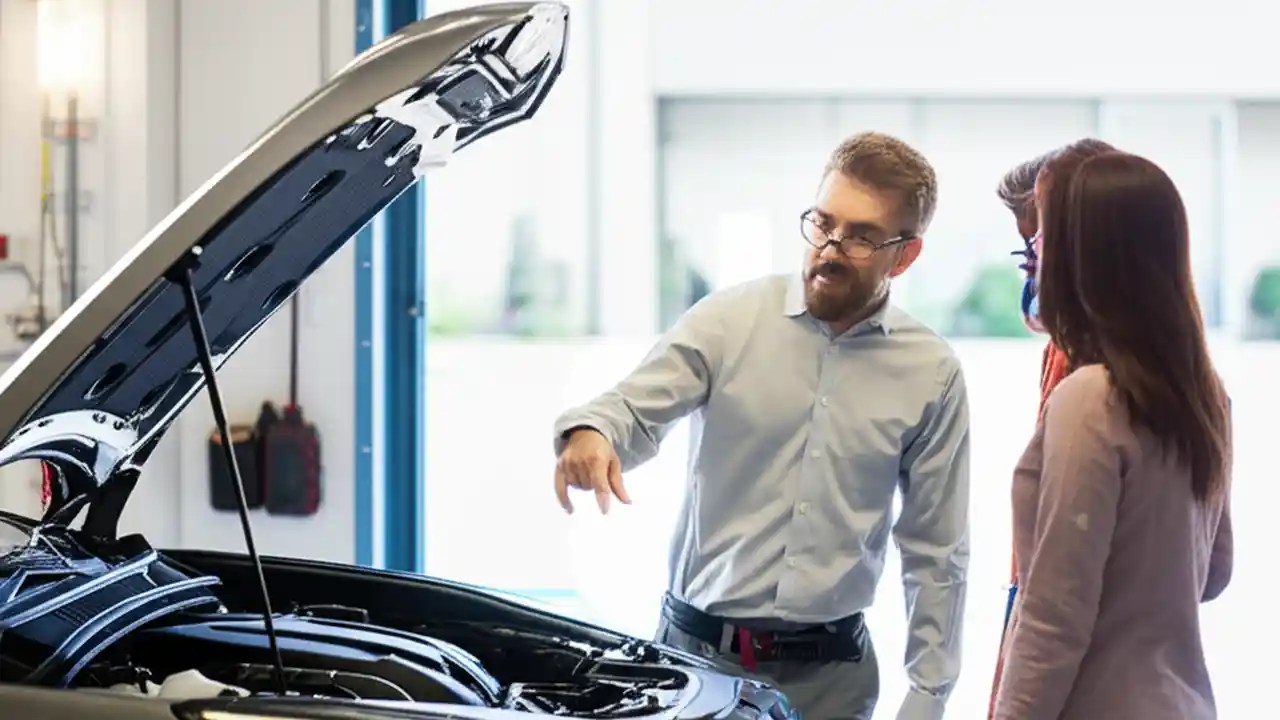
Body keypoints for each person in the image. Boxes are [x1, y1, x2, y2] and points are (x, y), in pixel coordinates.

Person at [552, 131, 970, 720]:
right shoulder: (730, 321)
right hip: (697, 670)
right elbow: (628, 409)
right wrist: (590, 434)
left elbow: (938, 550)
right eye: (823, 223)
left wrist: (927, 698)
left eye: (861, 237)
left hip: (836, 687)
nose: (829, 248)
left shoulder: (931, 373)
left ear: (905, 254)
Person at [991, 150, 1234, 719]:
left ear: (1085, 254)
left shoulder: (1089, 398)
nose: (1031, 259)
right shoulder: (1205, 392)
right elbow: (1214, 572)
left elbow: (1054, 617)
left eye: (1043, 240)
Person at [986, 137, 1115, 717]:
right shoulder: (1193, 382)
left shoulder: (1089, 386)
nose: (1030, 277)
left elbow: (1055, 605)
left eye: (1035, 253)